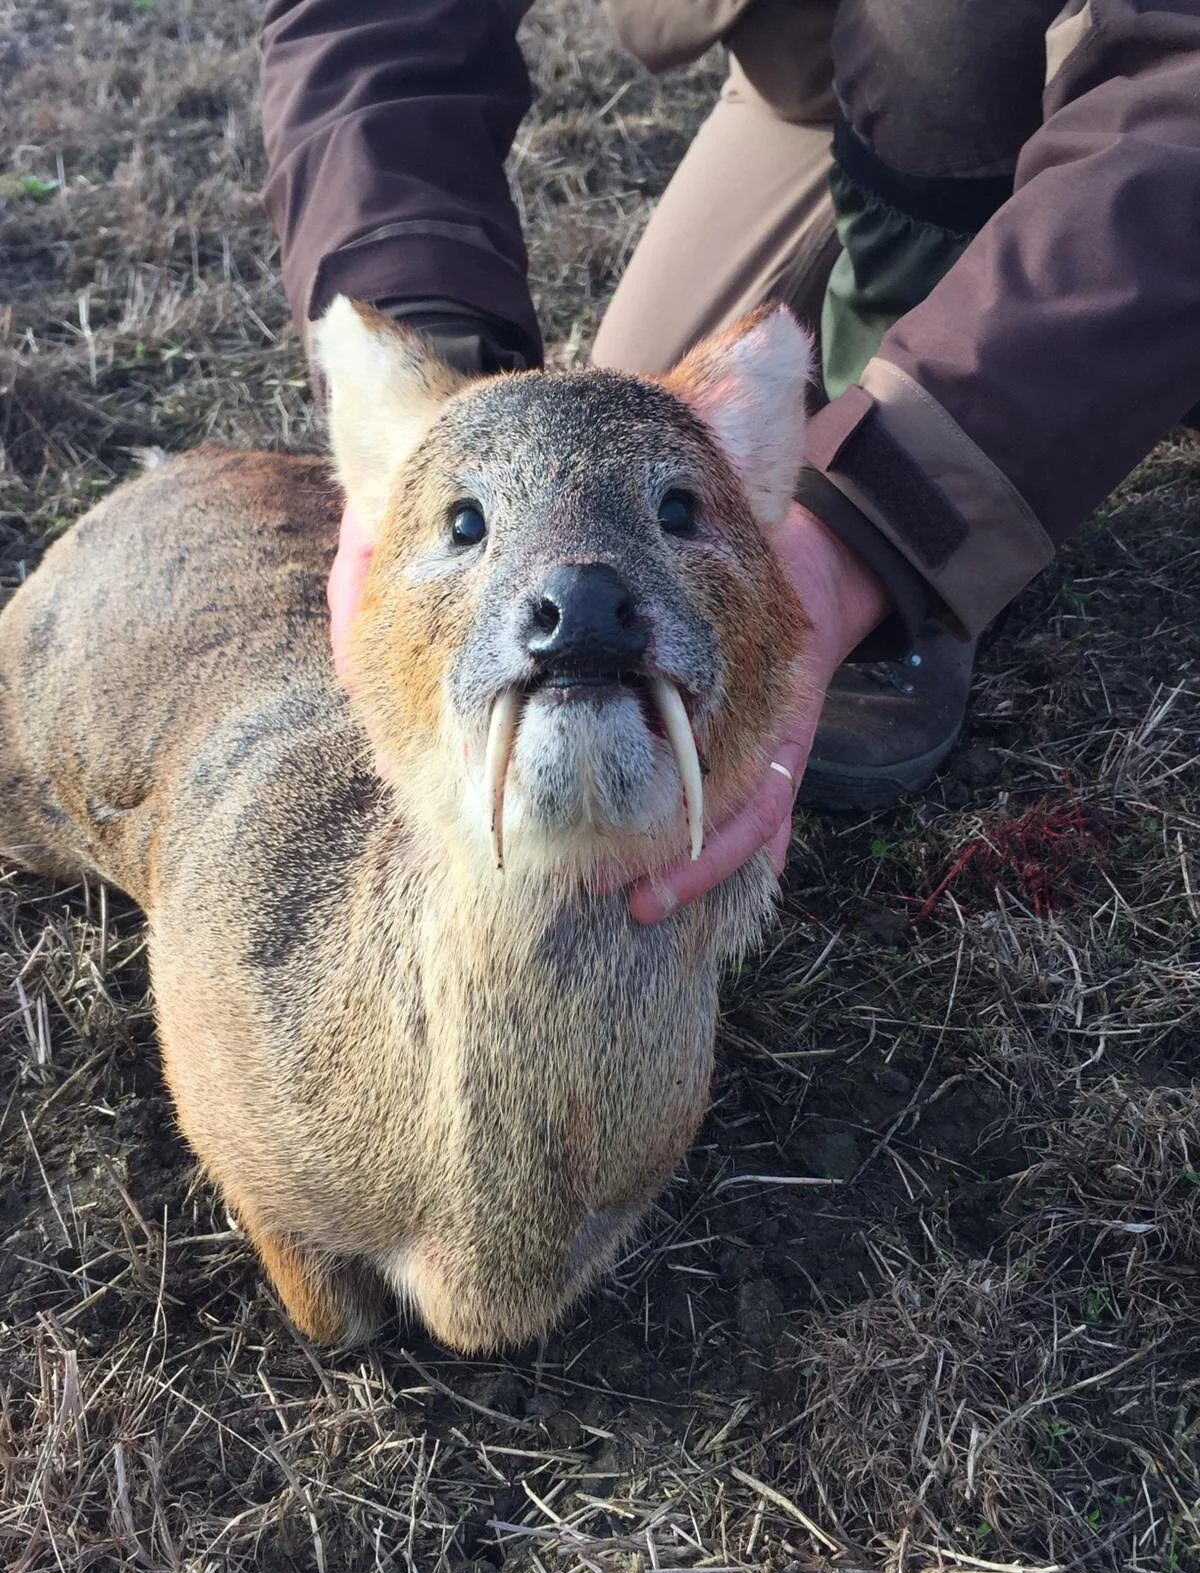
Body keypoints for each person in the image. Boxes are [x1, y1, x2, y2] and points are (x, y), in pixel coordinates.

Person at [259, 0, 1200, 924]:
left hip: (1108, 74)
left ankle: (958, 435)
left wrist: (875, 526)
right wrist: (427, 400)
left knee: (944, 36)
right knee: (629, 436)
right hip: (810, 60)